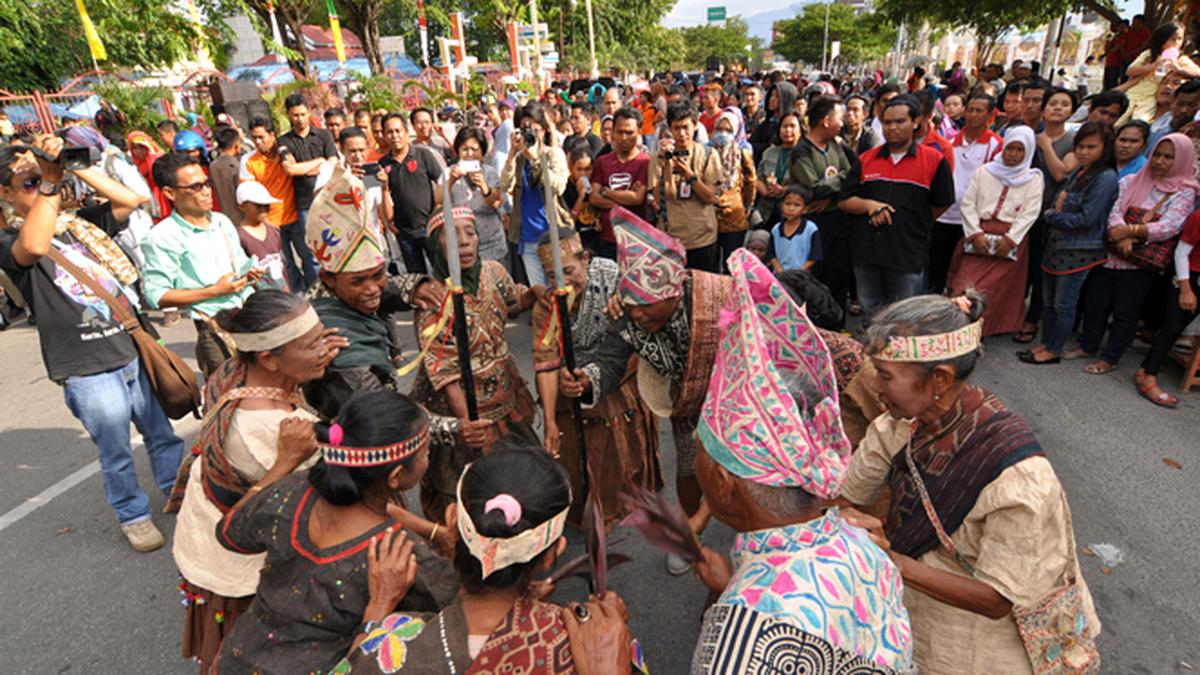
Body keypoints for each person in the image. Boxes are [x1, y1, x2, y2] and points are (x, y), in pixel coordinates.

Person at [838, 293, 1102, 674]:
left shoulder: (1020, 478)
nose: (875, 388)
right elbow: (846, 496)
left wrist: (889, 561)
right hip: (922, 619)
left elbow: (997, 599)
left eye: (885, 376)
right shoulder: (895, 426)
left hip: (986, 651)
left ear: (941, 379)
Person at [690, 249, 913, 674]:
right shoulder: (862, 542)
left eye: (702, 446)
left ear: (722, 480)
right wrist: (736, 585)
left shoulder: (739, 645)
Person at [0, 138, 183, 552]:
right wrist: (47, 182)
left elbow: (130, 199)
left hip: (131, 347)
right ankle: (133, 514)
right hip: (85, 365)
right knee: (115, 447)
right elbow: (33, 246)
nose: (42, 183)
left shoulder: (79, 223)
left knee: (161, 432)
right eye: (27, 182)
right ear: (5, 194)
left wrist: (70, 163)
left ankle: (177, 490)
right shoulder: (9, 240)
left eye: (42, 176)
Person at [332, 449, 646, 674]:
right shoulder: (601, 647)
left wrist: (377, 610)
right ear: (553, 552)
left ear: (452, 520)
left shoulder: (394, 646)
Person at [212, 390, 458, 674]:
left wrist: (284, 463)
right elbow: (463, 620)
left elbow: (229, 533)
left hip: (237, 659)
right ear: (396, 476)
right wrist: (457, 554)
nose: (428, 458)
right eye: (426, 452)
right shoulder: (402, 555)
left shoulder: (289, 492)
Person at [168, 291, 335, 671]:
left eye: (323, 337)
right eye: (312, 345)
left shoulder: (231, 371)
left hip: (204, 538)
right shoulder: (275, 429)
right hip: (239, 553)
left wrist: (304, 367)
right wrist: (287, 460)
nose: (325, 349)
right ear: (269, 359)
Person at [559, 209, 731, 575]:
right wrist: (587, 380)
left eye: (646, 307)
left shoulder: (718, 297)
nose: (636, 317)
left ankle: (738, 528)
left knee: (741, 470)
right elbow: (610, 359)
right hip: (685, 397)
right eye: (631, 307)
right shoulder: (625, 313)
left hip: (736, 391)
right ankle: (691, 536)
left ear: (672, 293)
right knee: (690, 467)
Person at [412, 206, 544, 521]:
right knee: (475, 488)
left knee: (522, 475)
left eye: (469, 233)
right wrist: (467, 424)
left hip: (506, 394)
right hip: (468, 409)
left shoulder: (494, 272)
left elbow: (514, 300)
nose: (464, 243)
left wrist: (537, 293)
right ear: (436, 247)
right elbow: (445, 373)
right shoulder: (433, 301)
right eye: (452, 236)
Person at [531, 228, 661, 526]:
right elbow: (546, 362)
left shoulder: (615, 280)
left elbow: (624, 343)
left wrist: (590, 378)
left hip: (617, 365)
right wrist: (550, 423)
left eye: (568, 271)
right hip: (569, 377)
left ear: (585, 259)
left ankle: (622, 500)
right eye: (552, 276)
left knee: (613, 421)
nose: (561, 283)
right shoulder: (547, 303)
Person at [1072, 133, 1198, 374]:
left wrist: (1130, 232)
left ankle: (1110, 357)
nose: (1160, 161)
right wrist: (1122, 233)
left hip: (1141, 263)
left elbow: (1171, 225)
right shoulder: (1131, 180)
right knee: (1096, 303)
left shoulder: (1185, 191)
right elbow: (1115, 210)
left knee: (1125, 311)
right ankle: (1088, 345)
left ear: (1182, 160)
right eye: (1158, 155)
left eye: (1169, 157)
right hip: (1110, 254)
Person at [142, 152, 257, 378]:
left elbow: (241, 262)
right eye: (195, 187)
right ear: (169, 193)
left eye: (206, 183)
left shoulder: (221, 221)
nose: (206, 191)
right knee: (231, 395)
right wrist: (214, 291)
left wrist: (250, 273)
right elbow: (157, 295)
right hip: (212, 327)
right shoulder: (161, 237)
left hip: (249, 316)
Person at [839, 96, 955, 316]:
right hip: (867, 253)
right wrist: (869, 206)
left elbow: (942, 203)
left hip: (907, 255)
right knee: (871, 312)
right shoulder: (866, 159)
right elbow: (845, 201)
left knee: (905, 317)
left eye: (900, 121)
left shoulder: (934, 160)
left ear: (916, 122)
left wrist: (911, 221)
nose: (892, 128)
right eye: (887, 122)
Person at [1020, 121, 1120, 365]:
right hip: (1056, 246)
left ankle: (1053, 349)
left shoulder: (1105, 177)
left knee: (1064, 304)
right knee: (1049, 302)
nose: (1083, 151)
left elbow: (1086, 218)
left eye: (1091, 147)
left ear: (1104, 148)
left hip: (1079, 250)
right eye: (1080, 146)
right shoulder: (1080, 171)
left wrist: (1052, 216)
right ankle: (1046, 343)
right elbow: (1058, 200)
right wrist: (1055, 214)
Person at [946, 126, 1043, 336]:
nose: (1013, 154)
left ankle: (978, 332)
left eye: (1020, 150)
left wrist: (1011, 239)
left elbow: (1030, 212)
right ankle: (957, 329)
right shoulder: (985, 171)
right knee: (965, 284)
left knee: (994, 290)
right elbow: (968, 203)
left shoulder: (1033, 178)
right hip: (978, 233)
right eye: (1010, 148)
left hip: (1009, 241)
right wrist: (975, 233)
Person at [931, 93, 1004, 294]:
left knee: (964, 273)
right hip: (945, 215)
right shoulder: (950, 141)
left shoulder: (997, 144)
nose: (973, 115)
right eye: (970, 109)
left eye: (979, 110)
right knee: (936, 268)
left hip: (972, 220)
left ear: (990, 115)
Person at [791, 96, 854, 311]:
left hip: (838, 219)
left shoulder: (836, 146)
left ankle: (838, 325)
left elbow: (853, 174)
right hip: (814, 223)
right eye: (839, 118)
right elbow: (816, 189)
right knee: (815, 277)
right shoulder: (801, 151)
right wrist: (836, 184)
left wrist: (831, 195)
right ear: (826, 121)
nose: (842, 123)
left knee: (839, 274)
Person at [1134, 207, 1200, 407]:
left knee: (1176, 329)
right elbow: (1181, 252)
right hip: (1186, 276)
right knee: (1172, 326)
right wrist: (1186, 289)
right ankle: (1149, 376)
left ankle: (1145, 370)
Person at [500, 102, 569, 287]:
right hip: (527, 238)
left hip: (552, 235)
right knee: (540, 291)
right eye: (525, 128)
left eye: (535, 128)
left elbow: (558, 186)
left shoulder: (554, 154)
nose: (531, 133)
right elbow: (505, 185)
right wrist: (512, 155)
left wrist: (536, 160)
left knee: (560, 288)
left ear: (544, 130)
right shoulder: (518, 158)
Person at [649, 101, 723, 273]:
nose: (681, 134)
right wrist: (667, 166)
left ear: (695, 126)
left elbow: (710, 197)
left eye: (686, 127)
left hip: (703, 239)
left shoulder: (708, 155)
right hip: (671, 240)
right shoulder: (658, 159)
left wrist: (689, 175)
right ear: (670, 129)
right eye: (676, 128)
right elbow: (662, 199)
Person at [240, 116, 304, 289]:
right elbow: (249, 193)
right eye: (254, 138)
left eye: (262, 137)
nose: (258, 142)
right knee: (285, 263)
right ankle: (295, 296)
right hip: (271, 222)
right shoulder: (248, 161)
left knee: (309, 259)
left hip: (296, 215)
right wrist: (265, 221)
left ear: (272, 135)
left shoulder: (287, 152)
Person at [380, 113, 443, 275]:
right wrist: (389, 222)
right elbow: (383, 195)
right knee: (417, 279)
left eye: (398, 131)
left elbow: (442, 182)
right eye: (389, 132)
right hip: (405, 232)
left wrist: (437, 210)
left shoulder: (423, 155)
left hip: (429, 227)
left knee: (442, 272)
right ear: (384, 136)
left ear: (406, 132)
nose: (394, 136)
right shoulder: (383, 164)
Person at [588, 106, 651, 261]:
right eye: (620, 132)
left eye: (629, 132)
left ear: (639, 132)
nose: (624, 137)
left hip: (636, 239)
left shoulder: (646, 163)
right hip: (609, 239)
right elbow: (594, 198)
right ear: (613, 133)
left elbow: (638, 199)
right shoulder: (602, 162)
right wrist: (626, 199)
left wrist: (607, 192)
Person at [445, 127, 505, 262]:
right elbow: (438, 199)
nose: (470, 154)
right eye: (465, 149)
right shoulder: (449, 173)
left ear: (482, 152)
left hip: (492, 244)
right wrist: (451, 181)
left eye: (475, 149)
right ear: (458, 151)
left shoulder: (490, 173)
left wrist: (483, 186)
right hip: (464, 247)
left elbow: (496, 203)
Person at [1124, 22, 1200, 122]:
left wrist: (1179, 69)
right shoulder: (1149, 54)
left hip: (1151, 98)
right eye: (1172, 39)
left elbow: (1198, 72)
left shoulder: (1180, 59)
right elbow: (1130, 71)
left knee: (1140, 120)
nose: (1176, 42)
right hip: (1135, 92)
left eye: (1180, 39)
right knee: (1119, 119)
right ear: (1162, 39)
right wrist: (1151, 66)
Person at [711, 107, 757, 269]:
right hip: (710, 217)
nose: (723, 134)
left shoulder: (742, 152)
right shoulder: (707, 151)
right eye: (720, 129)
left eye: (728, 130)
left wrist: (748, 207)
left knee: (732, 265)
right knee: (712, 264)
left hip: (735, 215)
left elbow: (751, 180)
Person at [234, 181, 289, 291]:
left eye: (266, 205)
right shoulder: (238, 236)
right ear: (241, 206)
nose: (263, 209)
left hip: (283, 289)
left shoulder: (274, 231)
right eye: (258, 205)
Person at [766, 185, 822, 273]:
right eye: (788, 204)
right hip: (779, 276)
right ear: (781, 205)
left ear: (805, 209)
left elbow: (814, 256)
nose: (791, 209)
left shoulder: (810, 229)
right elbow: (770, 253)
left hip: (801, 277)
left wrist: (800, 271)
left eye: (797, 205)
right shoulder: (776, 229)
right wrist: (778, 268)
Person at [1144, 78, 1200, 154]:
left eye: (1191, 105)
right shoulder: (1156, 131)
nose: (1184, 110)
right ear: (1171, 103)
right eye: (1179, 104)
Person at [210, 126, 244, 226]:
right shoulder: (236, 166)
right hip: (241, 219)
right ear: (236, 145)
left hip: (223, 219)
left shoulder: (213, 166)